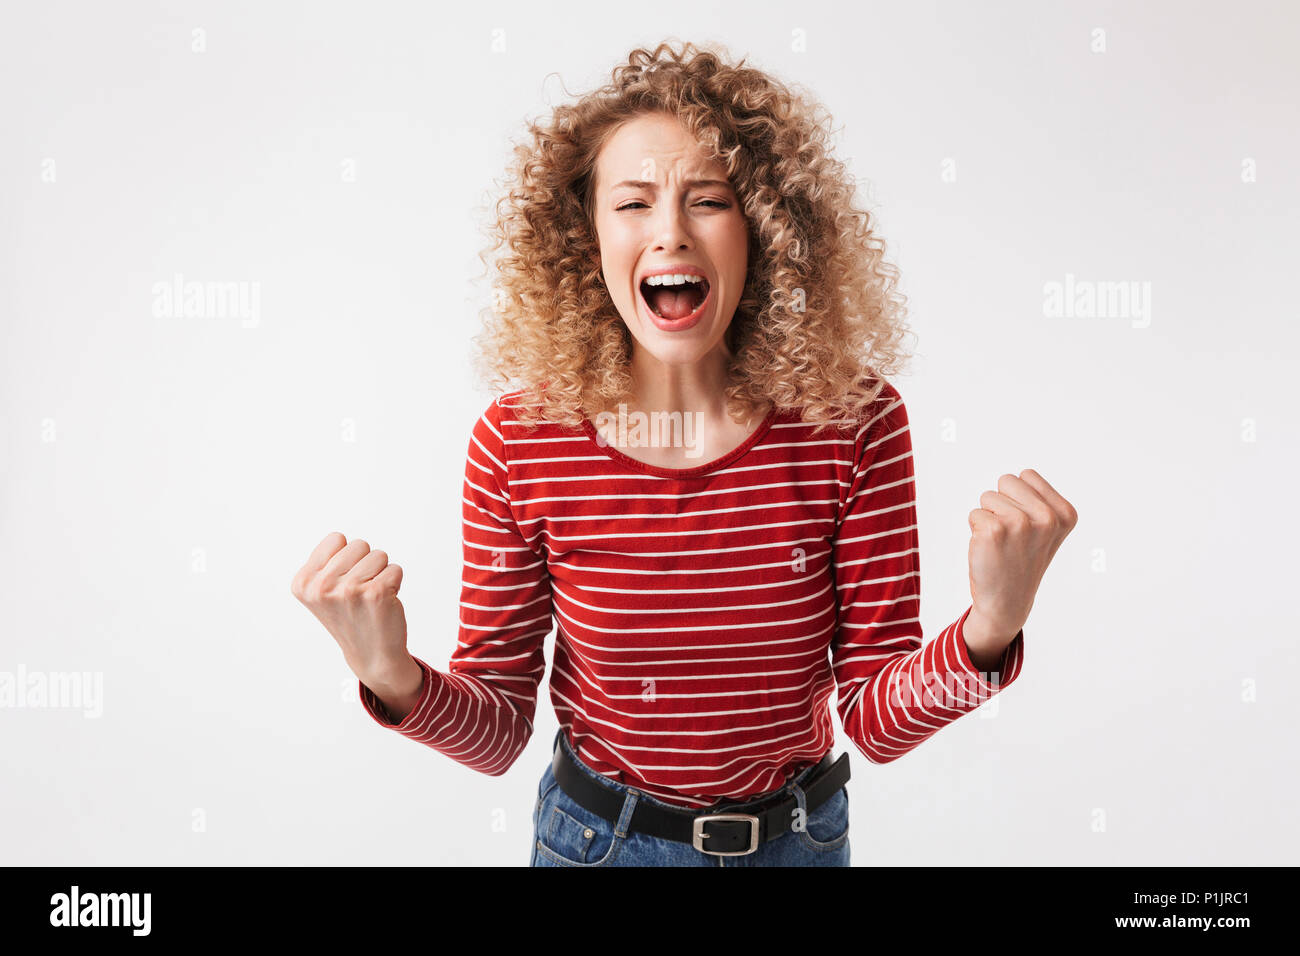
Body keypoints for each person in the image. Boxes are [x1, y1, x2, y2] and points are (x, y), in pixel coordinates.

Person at [290, 41, 1078, 867]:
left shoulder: (854, 423)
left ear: (765, 230)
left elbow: (878, 724)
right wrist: (388, 671)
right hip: (597, 845)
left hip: (800, 844)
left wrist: (992, 627)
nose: (670, 233)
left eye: (709, 200)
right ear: (584, 236)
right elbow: (495, 736)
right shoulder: (520, 440)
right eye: (632, 204)